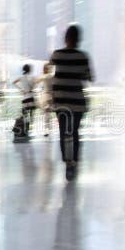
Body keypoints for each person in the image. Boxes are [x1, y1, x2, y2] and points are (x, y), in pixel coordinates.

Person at [50, 25, 93, 181]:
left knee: (63, 132)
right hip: (77, 101)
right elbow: (89, 77)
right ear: (79, 39)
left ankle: (67, 162)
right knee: (74, 132)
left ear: (66, 38)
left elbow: (52, 72)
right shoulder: (83, 56)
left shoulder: (57, 54)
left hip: (60, 100)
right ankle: (74, 161)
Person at [12, 64, 36, 141]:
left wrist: (21, 89)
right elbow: (32, 87)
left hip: (24, 99)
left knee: (24, 115)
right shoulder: (32, 77)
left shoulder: (21, 77)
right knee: (31, 116)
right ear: (29, 70)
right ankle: (28, 129)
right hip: (31, 98)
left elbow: (14, 82)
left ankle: (24, 130)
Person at [37, 62, 55, 137]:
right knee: (56, 113)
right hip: (53, 96)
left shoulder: (43, 76)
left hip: (45, 96)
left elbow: (36, 81)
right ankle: (50, 129)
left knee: (46, 114)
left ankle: (47, 130)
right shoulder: (53, 76)